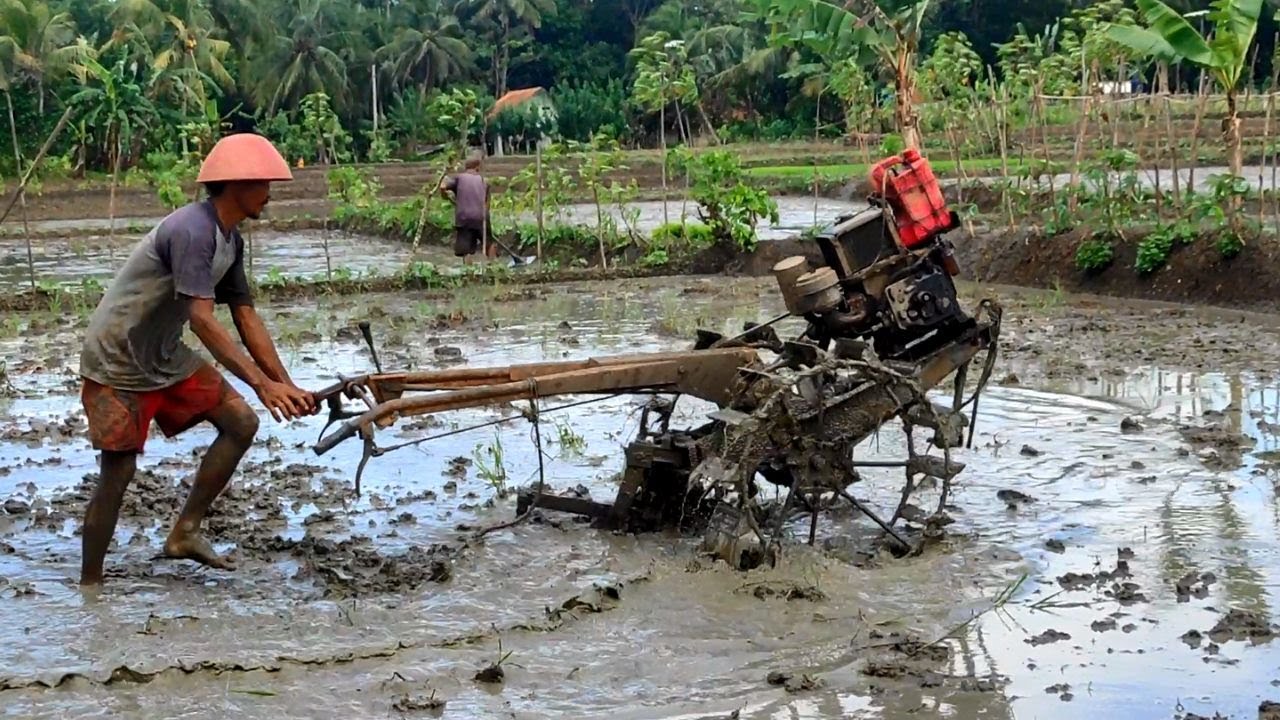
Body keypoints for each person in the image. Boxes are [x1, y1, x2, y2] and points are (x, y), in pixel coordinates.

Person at [77, 132, 317, 587]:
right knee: (118, 472)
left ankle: (184, 532)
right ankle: (91, 586)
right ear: (238, 184)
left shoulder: (230, 240)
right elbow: (202, 320)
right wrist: (261, 385)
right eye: (264, 184)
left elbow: (245, 316)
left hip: (164, 354)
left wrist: (285, 384)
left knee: (241, 422)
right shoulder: (193, 230)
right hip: (118, 358)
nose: (270, 194)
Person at [439, 154, 495, 263]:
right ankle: (493, 266)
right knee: (489, 244)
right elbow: (487, 204)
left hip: (464, 217)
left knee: (466, 250)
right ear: (477, 167)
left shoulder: (459, 178)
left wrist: (444, 196)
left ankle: (469, 271)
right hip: (481, 217)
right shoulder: (484, 181)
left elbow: (442, 186)